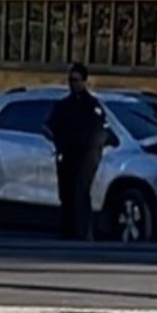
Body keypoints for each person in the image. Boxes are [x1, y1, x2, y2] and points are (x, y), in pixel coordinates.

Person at [45, 63, 110, 241]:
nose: (73, 84)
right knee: (65, 191)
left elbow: (100, 130)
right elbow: (50, 126)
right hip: (66, 153)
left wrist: (94, 147)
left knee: (80, 191)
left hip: (86, 155)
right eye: (71, 80)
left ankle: (82, 230)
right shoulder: (63, 105)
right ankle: (67, 229)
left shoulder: (92, 106)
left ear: (84, 81)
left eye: (76, 80)